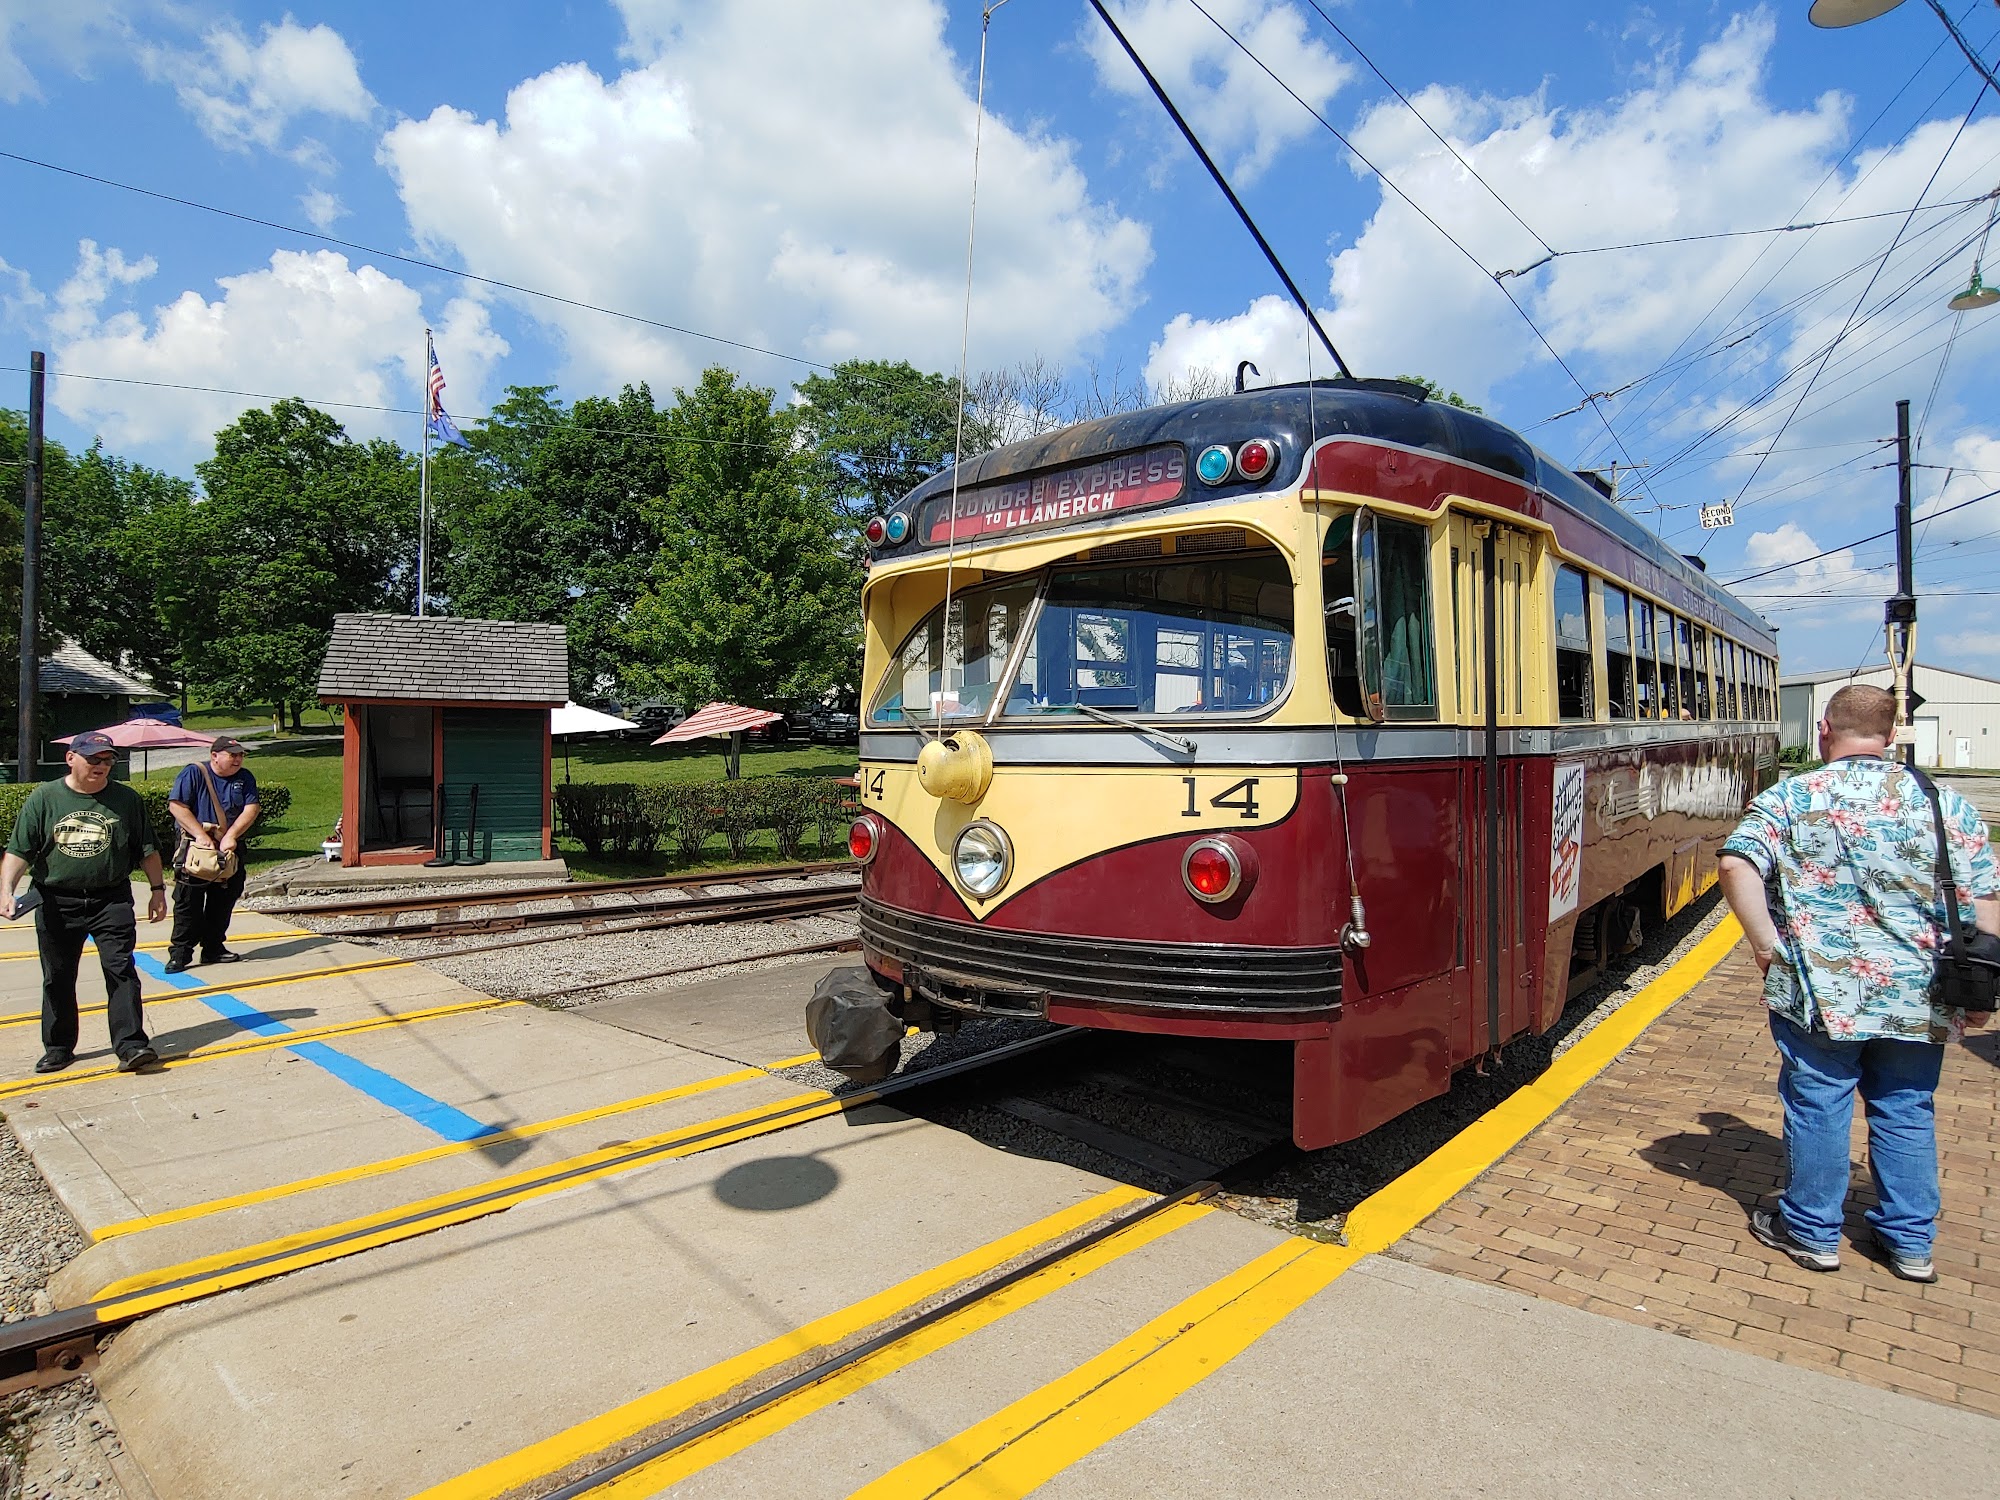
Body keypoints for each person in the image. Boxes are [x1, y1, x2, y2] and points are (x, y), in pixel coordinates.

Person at [1717, 683, 1997, 1284]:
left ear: (1824, 729)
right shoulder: (1945, 804)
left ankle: (1813, 1233)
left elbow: (1736, 862)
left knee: (1820, 1102)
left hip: (1822, 991)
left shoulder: (1791, 796)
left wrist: (1767, 947)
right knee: (1906, 1109)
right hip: (1922, 994)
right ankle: (1910, 1244)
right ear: (1892, 735)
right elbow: (1986, 896)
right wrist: (1984, 985)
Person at [0, 731, 168, 1073]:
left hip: (112, 898)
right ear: (71, 758)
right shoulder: (45, 798)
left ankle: (131, 1045)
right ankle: (59, 1046)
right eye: (94, 759)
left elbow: (146, 850)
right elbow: (19, 850)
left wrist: (158, 890)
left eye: (108, 760)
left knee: (120, 969)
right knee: (58, 975)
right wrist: (6, 889)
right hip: (56, 900)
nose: (102, 766)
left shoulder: (126, 800)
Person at [165, 735, 260, 974]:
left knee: (224, 900)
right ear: (214, 756)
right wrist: (200, 835)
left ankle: (213, 947)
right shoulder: (194, 773)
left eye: (240, 755)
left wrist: (232, 835)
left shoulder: (245, 778)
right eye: (233, 755)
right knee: (188, 902)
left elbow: (252, 808)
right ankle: (180, 954)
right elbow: (176, 806)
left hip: (228, 850)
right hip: (196, 849)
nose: (238, 759)